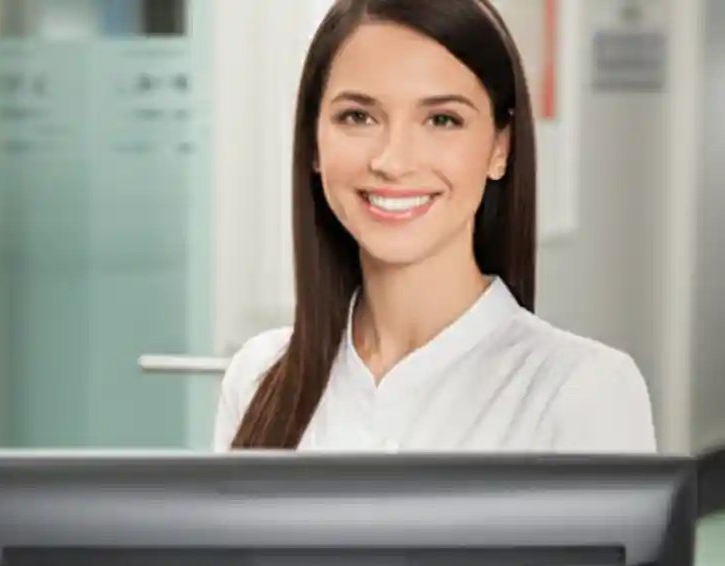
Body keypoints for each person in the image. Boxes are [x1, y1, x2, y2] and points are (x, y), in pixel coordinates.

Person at [214, 0, 656, 453]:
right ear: (313, 142)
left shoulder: (583, 391)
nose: (392, 161)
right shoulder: (257, 378)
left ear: (500, 147)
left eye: (442, 119)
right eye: (358, 117)